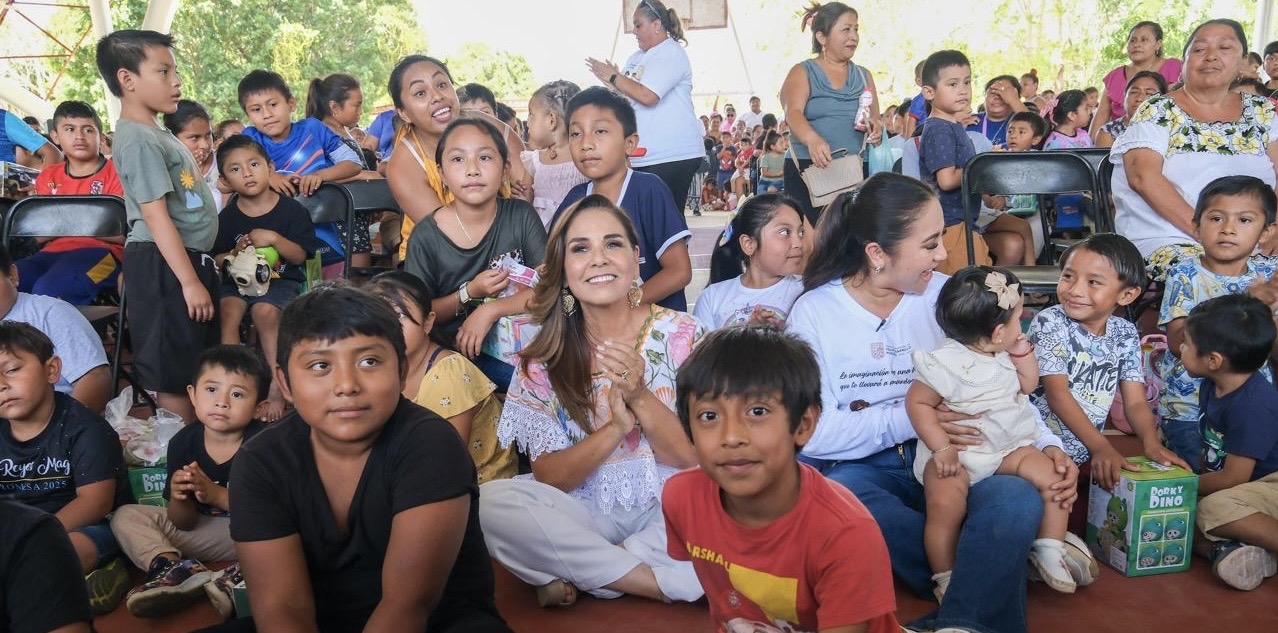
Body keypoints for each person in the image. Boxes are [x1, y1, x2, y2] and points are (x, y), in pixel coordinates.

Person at [786, 173, 1087, 633]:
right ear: (876, 253)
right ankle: (991, 571)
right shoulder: (814, 311)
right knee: (843, 499)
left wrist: (1047, 445)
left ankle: (960, 613)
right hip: (872, 466)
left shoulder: (953, 297)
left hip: (974, 455)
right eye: (929, 245)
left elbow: (1002, 385)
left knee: (1016, 497)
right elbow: (816, 433)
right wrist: (919, 420)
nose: (943, 255)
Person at [228, 284, 509, 632]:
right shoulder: (260, 462)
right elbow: (283, 609)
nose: (347, 384)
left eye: (369, 361)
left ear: (401, 371)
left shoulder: (432, 444)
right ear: (284, 383)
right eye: (319, 365)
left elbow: (406, 607)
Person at [480, 195, 704, 608]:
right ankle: (660, 582)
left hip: (670, 509)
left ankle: (587, 572)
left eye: (613, 244)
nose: (599, 259)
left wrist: (639, 396)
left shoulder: (684, 333)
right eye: (580, 248)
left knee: (721, 492)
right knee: (494, 504)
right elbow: (551, 478)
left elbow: (692, 458)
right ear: (562, 269)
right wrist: (616, 429)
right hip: (586, 511)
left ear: (636, 258)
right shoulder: (542, 359)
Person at [664, 326, 899, 632]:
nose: (731, 437)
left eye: (757, 411)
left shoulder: (845, 532)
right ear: (689, 432)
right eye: (709, 416)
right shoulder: (681, 497)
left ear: (803, 425)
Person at [907, 267, 1078, 597]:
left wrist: (1022, 354)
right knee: (944, 507)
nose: (1023, 324)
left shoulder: (1006, 351)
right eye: (1019, 318)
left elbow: (1028, 386)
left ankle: (1050, 549)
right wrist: (942, 447)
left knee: (1053, 476)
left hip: (1007, 447)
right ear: (998, 332)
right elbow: (918, 404)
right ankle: (945, 575)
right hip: (958, 456)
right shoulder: (944, 362)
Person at [96, 29, 219, 423]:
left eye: (175, 71)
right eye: (163, 72)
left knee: (191, 361)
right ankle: (180, 453)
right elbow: (155, 215)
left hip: (182, 262)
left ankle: (196, 451)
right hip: (165, 267)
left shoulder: (156, 133)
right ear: (127, 80)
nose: (176, 81)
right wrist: (188, 281)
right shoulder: (137, 140)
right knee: (173, 372)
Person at [110, 345, 268, 619]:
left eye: (237, 394)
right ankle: (174, 570)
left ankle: (235, 580)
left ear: (258, 407)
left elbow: (275, 514)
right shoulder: (184, 441)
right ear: (193, 396)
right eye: (211, 390)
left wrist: (217, 495)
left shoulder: (265, 444)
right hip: (210, 531)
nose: (222, 402)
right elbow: (185, 523)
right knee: (126, 515)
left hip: (255, 533)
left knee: (298, 534)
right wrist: (180, 498)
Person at [1030, 235, 1188, 496]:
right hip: (1041, 447)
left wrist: (1150, 443)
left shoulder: (1125, 333)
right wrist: (1102, 447)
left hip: (1087, 451)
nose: (1075, 290)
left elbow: (1135, 402)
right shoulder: (1050, 322)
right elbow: (1057, 395)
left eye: (1093, 282)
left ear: (1127, 294)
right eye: (1068, 276)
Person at [1112, 19, 1278, 265]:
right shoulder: (1158, 110)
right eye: (1199, 50)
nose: (1210, 56)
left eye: (1224, 48)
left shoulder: (1261, 111)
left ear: (1242, 62)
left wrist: (1272, 228)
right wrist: (1209, 234)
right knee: (1211, 276)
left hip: (1256, 238)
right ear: (1183, 65)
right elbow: (1142, 178)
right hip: (1174, 237)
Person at [403, 118, 547, 389]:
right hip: (459, 349)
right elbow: (419, 314)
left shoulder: (520, 215)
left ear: (505, 169)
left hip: (526, 340)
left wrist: (490, 310)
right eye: (457, 159)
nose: (472, 170)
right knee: (532, 383)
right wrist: (470, 292)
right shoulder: (426, 237)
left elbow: (549, 287)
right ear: (442, 174)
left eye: (484, 157)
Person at [0, 321, 132, 614]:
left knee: (56, 554)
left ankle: (108, 573)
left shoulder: (85, 428)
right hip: (19, 531)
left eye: (11, 369)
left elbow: (95, 502)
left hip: (86, 526)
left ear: (51, 370)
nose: (2, 384)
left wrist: (29, 540)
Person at [1158, 175, 1277, 473]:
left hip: (1250, 410)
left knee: (1259, 480)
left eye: (1245, 220)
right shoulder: (1185, 274)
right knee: (1201, 480)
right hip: (1190, 411)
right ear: (1196, 227)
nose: (1228, 229)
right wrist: (1250, 304)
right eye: (1216, 218)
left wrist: (1270, 316)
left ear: (1267, 231)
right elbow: (1177, 342)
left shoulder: (1268, 275)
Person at [212, 134, 323, 420]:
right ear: (224, 181)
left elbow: (300, 256)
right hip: (238, 282)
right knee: (228, 312)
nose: (247, 173)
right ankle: (236, 385)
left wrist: (273, 238)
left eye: (253, 164)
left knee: (264, 311)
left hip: (280, 281)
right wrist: (234, 252)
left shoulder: (291, 210)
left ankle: (276, 384)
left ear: (269, 167)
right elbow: (217, 258)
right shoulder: (227, 217)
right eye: (235, 169)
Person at [368, 271, 515, 483]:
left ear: (428, 323)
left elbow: (446, 464)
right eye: (379, 316)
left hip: (478, 487)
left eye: (400, 315)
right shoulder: (380, 369)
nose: (389, 327)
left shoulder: (449, 374)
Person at [556, 87, 693, 312]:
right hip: (598, 330)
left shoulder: (648, 189)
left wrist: (627, 304)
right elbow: (557, 266)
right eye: (575, 133)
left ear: (630, 143)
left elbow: (679, 271)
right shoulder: (575, 199)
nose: (586, 143)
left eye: (600, 131)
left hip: (652, 330)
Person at [1183, 294, 1278, 591]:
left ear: (1213, 360)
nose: (1180, 348)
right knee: (1178, 514)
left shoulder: (1253, 404)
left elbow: (1236, 477)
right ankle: (1232, 552)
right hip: (1243, 487)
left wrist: (1184, 487)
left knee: (1210, 508)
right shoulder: (1212, 385)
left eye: (1186, 343)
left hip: (1268, 484)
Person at [237, 69, 365, 276]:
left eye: (273, 104)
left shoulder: (313, 129)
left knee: (331, 287)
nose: (267, 114)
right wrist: (270, 176)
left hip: (326, 230)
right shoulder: (250, 139)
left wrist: (320, 176)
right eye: (256, 109)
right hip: (277, 237)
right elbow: (235, 175)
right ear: (247, 115)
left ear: (291, 104)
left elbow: (353, 163)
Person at [582, 0, 703, 215]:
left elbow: (648, 95)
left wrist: (614, 76)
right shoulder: (637, 58)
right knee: (645, 218)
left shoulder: (670, 52)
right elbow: (628, 96)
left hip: (671, 154)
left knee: (666, 219)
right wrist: (611, 81)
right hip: (646, 153)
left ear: (656, 25)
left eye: (638, 25)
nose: (634, 32)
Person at [780, 1, 882, 223]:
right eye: (846, 29)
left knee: (848, 238)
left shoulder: (865, 75)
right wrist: (812, 139)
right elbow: (793, 113)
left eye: (856, 29)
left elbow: (875, 116)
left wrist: (875, 127)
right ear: (822, 37)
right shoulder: (802, 71)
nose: (853, 36)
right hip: (810, 168)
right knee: (810, 242)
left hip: (852, 170)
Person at [22, 100, 125, 306]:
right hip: (49, 254)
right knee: (10, 284)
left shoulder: (117, 172)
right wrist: (91, 221)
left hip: (106, 257)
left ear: (101, 137)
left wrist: (59, 221)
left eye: (88, 130)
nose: (79, 136)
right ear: (55, 137)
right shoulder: (49, 175)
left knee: (48, 290)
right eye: (69, 129)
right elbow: (39, 235)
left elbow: (122, 234)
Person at [384, 55, 466, 263]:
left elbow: (523, 182)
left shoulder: (487, 130)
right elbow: (449, 235)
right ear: (403, 113)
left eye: (441, 84)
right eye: (420, 93)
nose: (437, 96)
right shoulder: (403, 165)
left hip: (502, 250)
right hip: (438, 261)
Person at [917, 50, 994, 272]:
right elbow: (947, 180)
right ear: (929, 92)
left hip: (964, 221)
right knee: (965, 288)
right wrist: (980, 166)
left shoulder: (952, 126)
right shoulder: (939, 130)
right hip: (949, 224)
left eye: (967, 82)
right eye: (952, 84)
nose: (962, 90)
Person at [305, 73, 383, 267]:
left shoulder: (343, 132)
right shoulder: (324, 133)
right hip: (338, 220)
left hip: (354, 214)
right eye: (356, 105)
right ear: (334, 107)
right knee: (354, 280)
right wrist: (367, 175)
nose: (360, 111)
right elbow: (325, 174)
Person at [697, 194, 806, 329]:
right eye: (785, 232)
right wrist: (751, 335)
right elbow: (705, 349)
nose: (798, 243)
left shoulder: (807, 293)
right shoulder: (711, 299)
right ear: (749, 244)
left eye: (801, 232)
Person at [0, 500, 93, 632]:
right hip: (48, 529)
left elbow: (96, 501)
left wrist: (54, 533)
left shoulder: (29, 534)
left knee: (64, 549)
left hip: (82, 527)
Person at [1089, 21, 1184, 140]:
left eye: (1144, 40)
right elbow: (1101, 116)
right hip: (1117, 141)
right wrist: (1092, 150)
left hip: (1164, 137)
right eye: (1132, 40)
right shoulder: (1115, 75)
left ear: (1158, 44)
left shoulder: (1174, 67)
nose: (1137, 45)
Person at [521, 80, 589, 228]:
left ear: (551, 120)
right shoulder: (534, 160)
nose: (527, 123)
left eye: (531, 115)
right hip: (541, 238)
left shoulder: (585, 156)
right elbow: (524, 197)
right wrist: (526, 200)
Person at [163, 99, 224, 211]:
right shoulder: (168, 171)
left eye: (208, 135)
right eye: (195, 137)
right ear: (173, 138)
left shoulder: (223, 162)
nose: (205, 145)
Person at [1095, 70, 1167, 148]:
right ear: (1124, 96)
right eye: (1134, 92)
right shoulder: (1109, 132)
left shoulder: (1169, 129)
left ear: (1162, 99)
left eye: (1149, 93)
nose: (1139, 98)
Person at [967, 75, 1027, 147]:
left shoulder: (1020, 122)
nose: (997, 97)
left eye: (1004, 93)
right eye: (992, 93)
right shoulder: (969, 121)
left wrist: (1014, 101)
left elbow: (1034, 127)